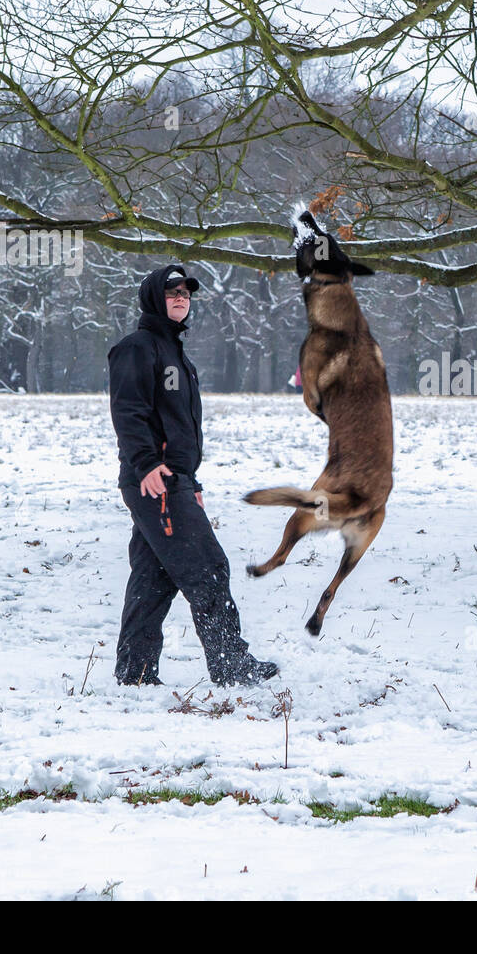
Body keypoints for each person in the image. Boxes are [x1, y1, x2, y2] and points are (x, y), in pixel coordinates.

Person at [108, 265, 278, 688]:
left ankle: (135, 672)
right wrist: (146, 465)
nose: (181, 298)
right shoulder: (137, 348)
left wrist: (191, 483)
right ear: (153, 298)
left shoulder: (179, 356)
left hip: (175, 480)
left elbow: (179, 428)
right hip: (154, 480)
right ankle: (231, 666)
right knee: (208, 568)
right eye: (171, 292)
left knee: (154, 578)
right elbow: (128, 412)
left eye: (186, 292)